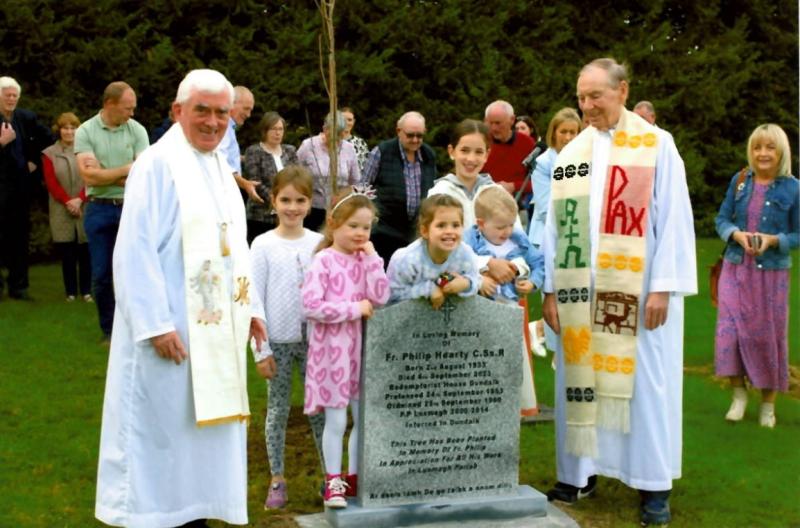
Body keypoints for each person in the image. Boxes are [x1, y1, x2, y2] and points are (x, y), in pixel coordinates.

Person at [95, 69, 267, 527]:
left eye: (222, 113)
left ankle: (196, 517)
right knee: (163, 446)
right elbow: (134, 251)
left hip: (214, 333)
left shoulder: (216, 165)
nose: (213, 122)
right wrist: (155, 324)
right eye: (202, 111)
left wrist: (249, 308)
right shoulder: (157, 165)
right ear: (177, 112)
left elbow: (235, 246)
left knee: (203, 459)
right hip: (171, 337)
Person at [542, 58, 696, 527]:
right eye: (581, 96)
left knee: (645, 388)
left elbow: (674, 219)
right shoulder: (572, 154)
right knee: (579, 376)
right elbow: (555, 228)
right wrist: (551, 289)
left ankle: (652, 486)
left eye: (596, 96)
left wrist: (664, 288)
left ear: (623, 91)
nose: (587, 106)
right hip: (581, 290)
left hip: (639, 288)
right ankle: (580, 473)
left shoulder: (656, 145)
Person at [301, 186, 390, 508]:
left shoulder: (363, 259)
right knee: (337, 421)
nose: (359, 233)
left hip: (361, 353)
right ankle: (333, 482)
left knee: (362, 419)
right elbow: (311, 305)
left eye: (365, 227)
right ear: (334, 223)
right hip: (333, 354)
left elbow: (380, 296)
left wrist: (373, 259)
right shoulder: (323, 261)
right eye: (353, 225)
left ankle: (354, 478)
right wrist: (353, 309)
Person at [250, 166, 325, 509]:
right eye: (285, 200)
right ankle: (277, 478)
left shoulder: (319, 244)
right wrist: (261, 350)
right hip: (277, 341)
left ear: (310, 204)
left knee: (319, 410)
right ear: (273, 201)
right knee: (278, 410)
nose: (292, 207)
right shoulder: (263, 244)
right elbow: (253, 298)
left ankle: (331, 477)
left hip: (314, 342)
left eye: (300, 200)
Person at [714, 123, 798, 428]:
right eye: (757, 147)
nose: (762, 153)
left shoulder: (793, 188)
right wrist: (734, 234)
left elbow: (798, 233)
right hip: (735, 269)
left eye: (770, 147)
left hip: (771, 276)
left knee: (769, 338)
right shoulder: (739, 181)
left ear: (781, 152)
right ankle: (738, 395)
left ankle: (767, 406)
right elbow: (721, 218)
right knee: (729, 333)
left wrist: (775, 241)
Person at [75, 81, 149, 341]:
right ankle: (109, 331)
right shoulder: (85, 131)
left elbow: (142, 175)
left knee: (137, 270)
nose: (132, 113)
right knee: (102, 274)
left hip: (131, 207)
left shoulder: (137, 130)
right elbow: (90, 177)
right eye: (128, 108)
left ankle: (137, 327)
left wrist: (105, 173)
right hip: (99, 210)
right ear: (110, 104)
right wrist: (125, 170)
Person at [463, 186, 543, 418]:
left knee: (508, 367)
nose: (507, 231)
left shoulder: (519, 240)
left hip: (509, 312)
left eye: (510, 224)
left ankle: (507, 418)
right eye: (500, 227)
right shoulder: (470, 238)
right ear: (480, 223)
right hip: (478, 315)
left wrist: (532, 283)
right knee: (482, 367)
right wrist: (482, 274)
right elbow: (458, 259)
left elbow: (538, 264)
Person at [528, 108, 582, 353]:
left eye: (573, 132)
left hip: (578, 240)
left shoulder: (585, 160)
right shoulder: (542, 164)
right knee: (555, 303)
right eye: (564, 132)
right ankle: (553, 350)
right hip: (549, 239)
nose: (568, 137)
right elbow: (544, 207)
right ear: (554, 133)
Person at [0, 76, 52, 300]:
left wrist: (34, 161)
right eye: (7, 95)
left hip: (20, 187)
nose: (11, 99)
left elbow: (47, 139)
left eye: (14, 96)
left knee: (20, 237)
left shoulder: (26, 118)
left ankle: (19, 287)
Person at [363, 110, 437, 264]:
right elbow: (362, 189)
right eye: (410, 135)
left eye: (420, 136)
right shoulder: (381, 152)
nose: (415, 140)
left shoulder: (429, 156)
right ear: (398, 131)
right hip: (384, 233)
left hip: (415, 234)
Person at [387, 194, 479, 307]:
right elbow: (393, 296)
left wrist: (466, 283)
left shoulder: (465, 254)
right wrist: (427, 290)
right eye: (441, 225)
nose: (450, 231)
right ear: (425, 231)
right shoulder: (406, 260)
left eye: (455, 225)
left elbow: (477, 279)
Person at [41, 112, 91, 302]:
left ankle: (86, 292)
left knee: (85, 251)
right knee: (68, 252)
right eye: (65, 128)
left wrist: (79, 199)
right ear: (59, 130)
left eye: (73, 128)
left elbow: (92, 176)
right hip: (61, 207)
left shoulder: (87, 151)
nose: (69, 132)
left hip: (84, 204)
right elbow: (51, 182)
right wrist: (68, 201)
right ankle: (70, 292)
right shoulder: (49, 153)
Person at [297, 111, 360, 232]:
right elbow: (295, 175)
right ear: (324, 129)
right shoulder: (308, 146)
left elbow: (355, 181)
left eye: (339, 135)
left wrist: (343, 196)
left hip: (338, 210)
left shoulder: (349, 149)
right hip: (312, 209)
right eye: (331, 133)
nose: (335, 140)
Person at [243, 111, 298, 242]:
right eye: (273, 129)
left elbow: (298, 177)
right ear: (264, 130)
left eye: (280, 129)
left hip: (287, 215)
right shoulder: (254, 151)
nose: (278, 133)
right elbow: (255, 181)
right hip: (260, 215)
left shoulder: (290, 151)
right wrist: (277, 201)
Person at [482, 100, 536, 197]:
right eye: (490, 123)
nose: (493, 128)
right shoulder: (480, 143)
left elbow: (540, 181)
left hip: (517, 204)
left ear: (512, 120)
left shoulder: (527, 143)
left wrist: (513, 186)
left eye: (498, 123)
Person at [224, 85, 261, 204]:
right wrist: (244, 183)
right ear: (231, 103)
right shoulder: (223, 128)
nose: (249, 115)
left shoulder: (230, 128)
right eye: (246, 108)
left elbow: (226, 156)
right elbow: (220, 165)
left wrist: (245, 158)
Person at [341, 106, 369, 172]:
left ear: (354, 121)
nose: (346, 123)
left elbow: (366, 169)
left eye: (349, 120)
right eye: (343, 120)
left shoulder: (360, 144)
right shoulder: (330, 142)